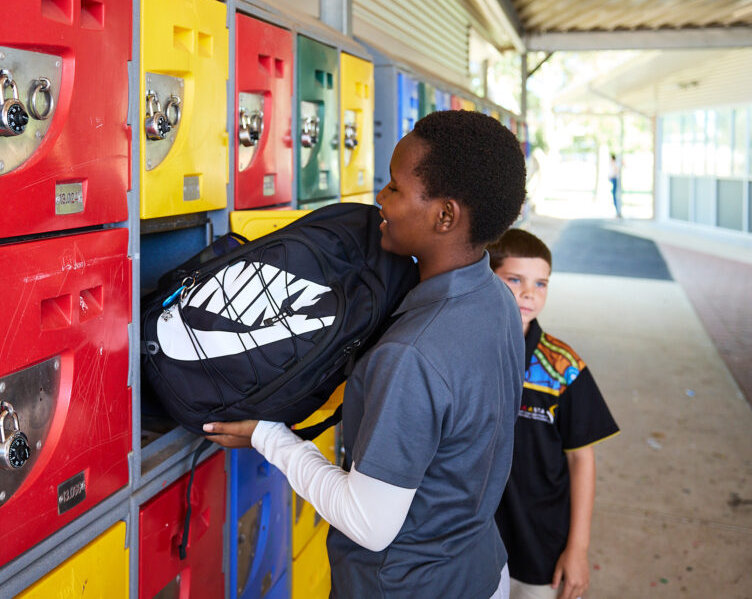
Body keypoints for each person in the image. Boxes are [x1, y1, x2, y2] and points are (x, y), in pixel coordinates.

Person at [204, 110, 528, 598]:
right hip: (479, 572)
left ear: (445, 216)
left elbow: (369, 523)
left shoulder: (411, 355)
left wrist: (269, 437)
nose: (380, 197)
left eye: (395, 187)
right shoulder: (496, 298)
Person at [487, 228, 620, 599]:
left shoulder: (563, 368)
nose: (529, 293)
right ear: (487, 276)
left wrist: (578, 548)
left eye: (541, 283)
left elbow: (581, 458)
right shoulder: (464, 353)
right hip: (473, 539)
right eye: (515, 280)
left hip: (540, 545)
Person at [608, 154, 622, 218]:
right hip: (612, 180)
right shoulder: (612, 164)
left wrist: (612, 176)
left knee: (615, 196)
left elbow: (616, 171)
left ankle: (617, 212)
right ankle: (617, 212)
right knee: (613, 196)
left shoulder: (615, 164)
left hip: (614, 180)